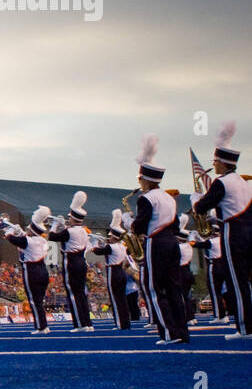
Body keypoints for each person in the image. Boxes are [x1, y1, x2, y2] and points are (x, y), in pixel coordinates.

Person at [127, 134, 188, 344]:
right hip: (172, 242)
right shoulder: (169, 198)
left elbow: (140, 226)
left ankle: (169, 333)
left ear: (146, 179)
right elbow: (176, 225)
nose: (139, 182)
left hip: (156, 243)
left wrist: (130, 224)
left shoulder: (146, 198)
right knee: (174, 289)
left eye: (140, 179)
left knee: (155, 289)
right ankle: (182, 332)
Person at [191, 121, 251, 339]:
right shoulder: (244, 183)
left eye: (215, 161)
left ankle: (245, 328)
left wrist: (196, 200)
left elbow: (202, 208)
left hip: (233, 233)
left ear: (223, 163)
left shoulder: (221, 182)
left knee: (237, 281)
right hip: (248, 233)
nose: (213, 164)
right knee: (247, 281)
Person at [48, 190, 94, 331]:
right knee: (81, 293)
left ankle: (79, 324)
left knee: (73, 293)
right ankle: (87, 323)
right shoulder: (84, 231)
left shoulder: (70, 231)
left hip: (71, 261)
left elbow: (52, 237)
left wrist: (55, 224)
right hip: (81, 260)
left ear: (73, 218)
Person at [4, 206, 52, 335]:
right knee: (39, 301)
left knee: (34, 301)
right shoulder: (42, 240)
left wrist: (10, 229)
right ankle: (44, 325)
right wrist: (21, 233)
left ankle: (41, 327)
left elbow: (10, 238)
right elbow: (25, 242)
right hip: (43, 270)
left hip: (32, 271)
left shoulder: (28, 241)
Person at [90, 209, 135, 331]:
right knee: (122, 299)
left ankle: (120, 323)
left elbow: (97, 251)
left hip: (113, 272)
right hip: (121, 271)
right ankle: (126, 323)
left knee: (115, 299)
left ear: (113, 236)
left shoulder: (111, 246)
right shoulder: (122, 247)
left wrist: (94, 242)